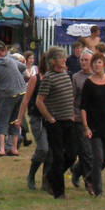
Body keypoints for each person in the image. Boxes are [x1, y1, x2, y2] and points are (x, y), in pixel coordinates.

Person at [35, 47, 76, 199]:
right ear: (53, 62)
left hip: (68, 120)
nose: (64, 60)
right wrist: (50, 118)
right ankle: (59, 192)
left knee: (72, 154)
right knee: (58, 156)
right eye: (61, 58)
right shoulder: (48, 78)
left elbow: (69, 97)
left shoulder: (66, 75)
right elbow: (39, 101)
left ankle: (51, 176)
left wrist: (72, 113)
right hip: (55, 123)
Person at [79, 53, 105, 197]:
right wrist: (86, 126)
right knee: (98, 158)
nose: (96, 65)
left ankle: (90, 177)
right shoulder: (88, 83)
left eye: (99, 62)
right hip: (94, 125)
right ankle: (98, 190)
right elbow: (83, 107)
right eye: (94, 62)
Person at [17, 53, 50, 190]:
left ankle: (45, 181)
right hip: (37, 118)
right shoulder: (35, 79)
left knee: (51, 150)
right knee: (43, 148)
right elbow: (26, 99)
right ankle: (31, 174)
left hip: (52, 117)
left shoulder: (56, 78)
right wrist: (19, 118)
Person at [0, 42, 25, 157]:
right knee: (14, 120)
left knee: (2, 121)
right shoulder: (11, 60)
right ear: (4, 49)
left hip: (7, 94)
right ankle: (14, 148)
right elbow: (23, 67)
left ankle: (2, 149)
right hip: (21, 91)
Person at [69, 49, 94, 189]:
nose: (83, 62)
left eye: (86, 60)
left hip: (95, 119)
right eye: (82, 60)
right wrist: (72, 114)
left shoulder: (98, 77)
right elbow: (71, 98)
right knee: (86, 151)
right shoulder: (76, 77)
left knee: (99, 154)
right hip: (79, 118)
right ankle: (89, 181)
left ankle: (77, 171)